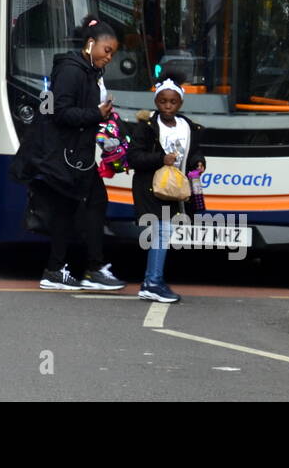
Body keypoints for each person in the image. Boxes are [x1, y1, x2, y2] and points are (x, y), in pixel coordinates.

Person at [25, 16, 126, 291]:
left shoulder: (88, 70)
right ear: (91, 44)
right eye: (107, 51)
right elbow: (61, 112)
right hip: (68, 156)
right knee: (90, 204)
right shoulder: (72, 71)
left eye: (113, 53)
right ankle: (91, 269)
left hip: (76, 154)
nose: (109, 57)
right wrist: (97, 114)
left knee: (68, 209)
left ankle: (59, 269)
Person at [127, 79, 205, 304]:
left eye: (172, 102)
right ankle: (152, 283)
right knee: (162, 233)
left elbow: (195, 152)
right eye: (162, 101)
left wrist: (198, 162)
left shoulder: (187, 126)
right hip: (152, 189)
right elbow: (133, 157)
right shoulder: (147, 126)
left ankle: (152, 282)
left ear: (180, 103)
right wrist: (161, 158)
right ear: (156, 102)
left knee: (164, 234)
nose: (167, 106)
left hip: (176, 190)